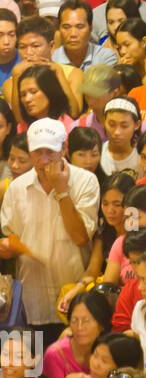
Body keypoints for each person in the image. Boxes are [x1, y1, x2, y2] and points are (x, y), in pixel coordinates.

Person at [0, 117, 99, 329]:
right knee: (29, 360)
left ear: (64, 149)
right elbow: (10, 238)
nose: (43, 160)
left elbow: (81, 238)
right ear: (28, 149)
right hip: (31, 300)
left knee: (66, 360)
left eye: (50, 152)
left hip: (72, 299)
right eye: (37, 152)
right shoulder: (17, 188)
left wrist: (62, 191)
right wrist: (8, 247)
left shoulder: (86, 181)